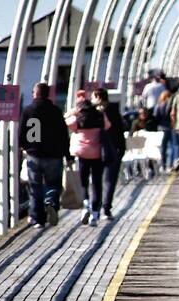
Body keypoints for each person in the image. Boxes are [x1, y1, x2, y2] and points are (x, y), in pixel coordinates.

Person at [18, 83, 70, 229]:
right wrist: (67, 154)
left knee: (35, 187)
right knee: (53, 183)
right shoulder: (55, 111)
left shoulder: (28, 110)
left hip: (34, 154)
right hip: (53, 155)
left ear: (35, 94)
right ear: (48, 94)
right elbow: (63, 135)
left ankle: (37, 219)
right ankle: (51, 202)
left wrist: (24, 147)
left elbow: (21, 133)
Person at [66, 90, 111, 227]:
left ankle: (86, 204)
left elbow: (66, 121)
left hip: (82, 153)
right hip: (97, 153)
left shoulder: (78, 117)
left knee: (83, 181)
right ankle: (95, 215)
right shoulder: (99, 115)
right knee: (97, 183)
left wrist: (73, 112)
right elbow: (108, 126)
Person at [91, 87, 126, 219]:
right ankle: (106, 208)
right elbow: (120, 131)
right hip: (113, 150)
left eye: (93, 97)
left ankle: (96, 208)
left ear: (99, 98)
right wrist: (122, 148)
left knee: (96, 180)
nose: (91, 100)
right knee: (110, 180)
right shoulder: (114, 111)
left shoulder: (92, 113)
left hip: (95, 150)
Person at [153, 89, 174, 170]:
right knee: (172, 147)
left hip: (161, 128)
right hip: (171, 128)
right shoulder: (171, 106)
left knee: (163, 148)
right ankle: (170, 164)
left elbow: (156, 117)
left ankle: (163, 164)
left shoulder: (158, 106)